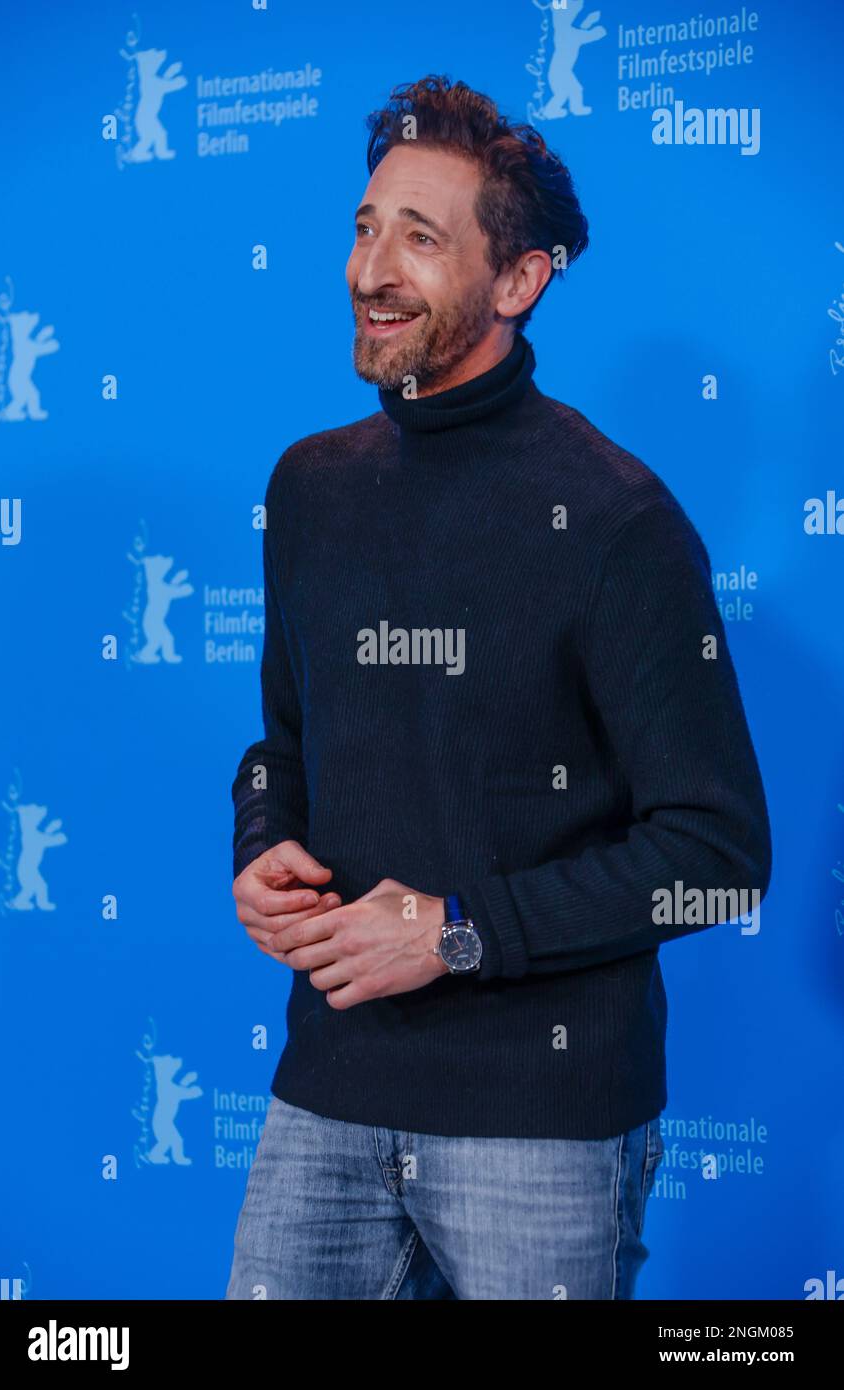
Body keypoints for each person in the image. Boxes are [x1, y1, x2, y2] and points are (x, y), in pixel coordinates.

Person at [224, 74, 772, 1301]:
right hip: (327, 1095)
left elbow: (718, 848)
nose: (373, 265)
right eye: (365, 227)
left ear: (518, 283)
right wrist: (263, 837)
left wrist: (457, 931)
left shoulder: (616, 520)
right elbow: (281, 745)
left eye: (420, 237)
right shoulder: (308, 487)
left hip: (544, 1127)